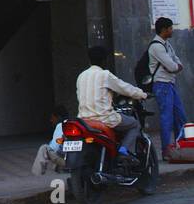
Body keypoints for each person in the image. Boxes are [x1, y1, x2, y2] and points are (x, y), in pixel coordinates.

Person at [76, 45, 147, 154]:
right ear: (104, 60)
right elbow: (125, 88)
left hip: (83, 120)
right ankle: (124, 151)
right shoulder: (105, 75)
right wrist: (142, 94)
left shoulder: (81, 76)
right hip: (104, 118)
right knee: (134, 124)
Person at [147, 18, 188, 161]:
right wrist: (174, 67)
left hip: (170, 83)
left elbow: (177, 63)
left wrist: (174, 67)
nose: (172, 30)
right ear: (164, 30)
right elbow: (173, 66)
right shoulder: (156, 46)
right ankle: (166, 151)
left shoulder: (167, 45)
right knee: (167, 119)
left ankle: (181, 147)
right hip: (162, 85)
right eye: (170, 28)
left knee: (181, 116)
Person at [30, 105, 67, 176]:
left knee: (44, 148)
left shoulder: (60, 126)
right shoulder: (73, 124)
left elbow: (54, 148)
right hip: (79, 159)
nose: (51, 120)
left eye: (52, 118)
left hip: (66, 161)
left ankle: (37, 175)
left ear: (59, 117)